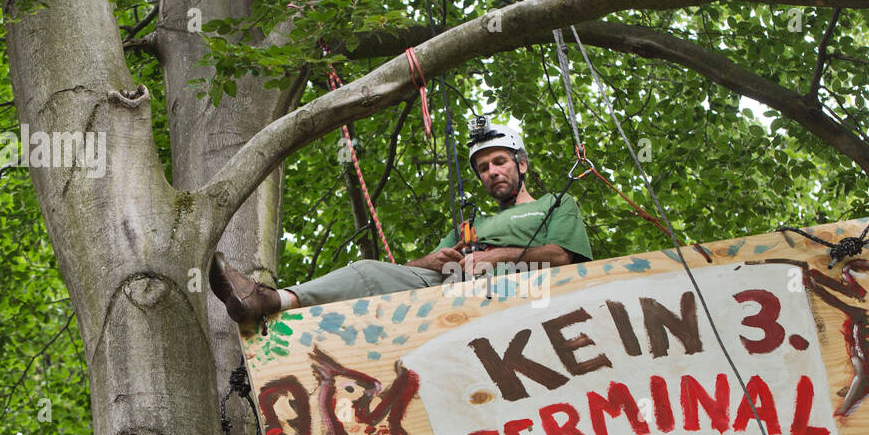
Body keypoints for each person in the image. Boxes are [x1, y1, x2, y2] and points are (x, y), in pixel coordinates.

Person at [210, 118, 592, 324]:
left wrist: (494, 258)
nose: (491, 172)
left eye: (499, 162)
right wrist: (436, 260)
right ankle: (270, 299)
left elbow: (562, 257)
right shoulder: (471, 224)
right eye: (483, 168)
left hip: (525, 286)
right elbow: (411, 273)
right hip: (455, 288)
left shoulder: (553, 204)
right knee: (366, 272)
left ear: (521, 165)